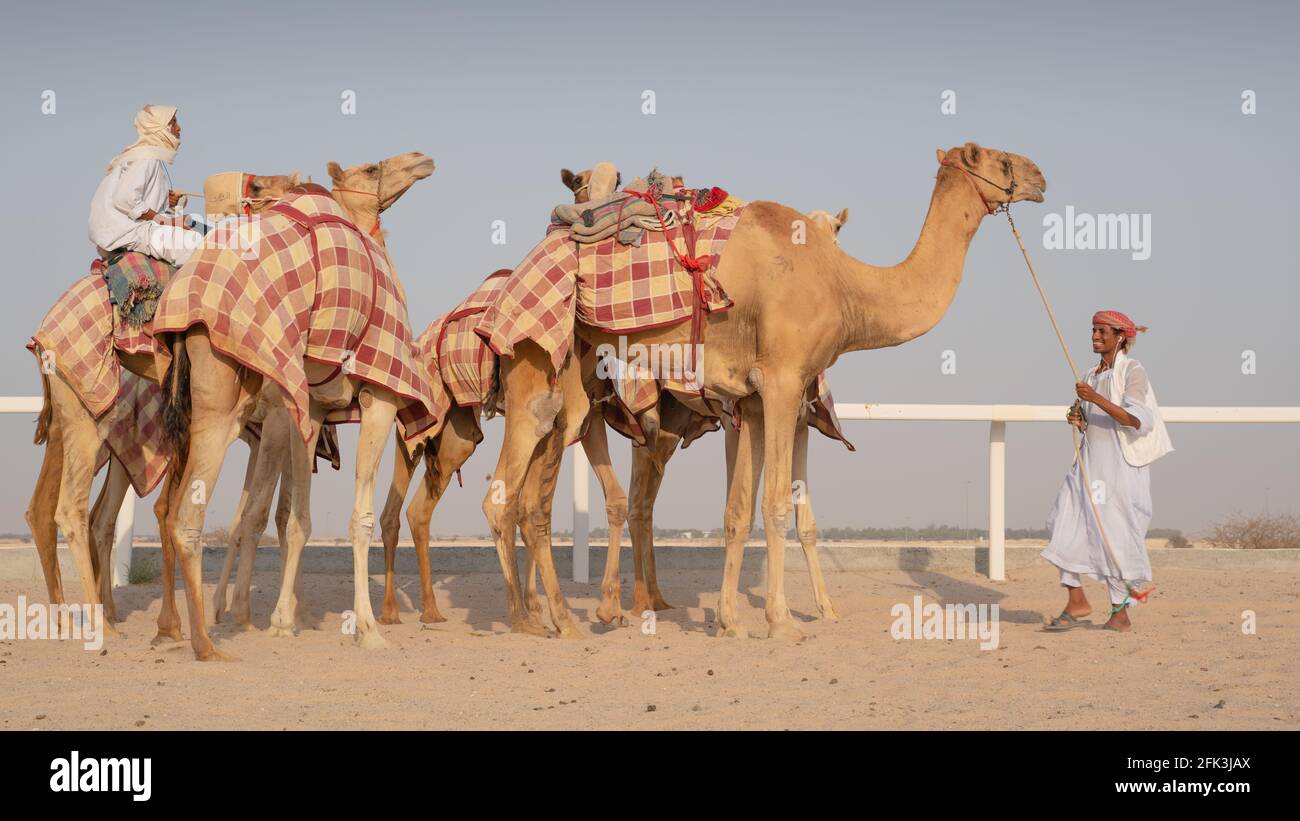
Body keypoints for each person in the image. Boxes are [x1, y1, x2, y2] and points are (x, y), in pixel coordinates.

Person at [1042, 310, 1174, 632]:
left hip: (1120, 469)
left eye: (1102, 331)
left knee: (1113, 537)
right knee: (1061, 522)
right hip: (1088, 464)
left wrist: (1095, 399)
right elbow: (1095, 423)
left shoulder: (1133, 371)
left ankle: (1120, 613)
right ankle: (1077, 598)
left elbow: (1135, 419)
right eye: (1093, 330)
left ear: (1120, 337)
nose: (1095, 336)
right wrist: (1081, 418)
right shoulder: (1090, 374)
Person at [88, 104, 200, 267]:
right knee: (199, 244)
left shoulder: (144, 156)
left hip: (126, 230)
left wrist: (169, 202)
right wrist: (167, 222)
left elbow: (139, 199)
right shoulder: (146, 157)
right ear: (162, 128)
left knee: (195, 226)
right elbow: (125, 199)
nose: (179, 128)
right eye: (174, 123)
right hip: (128, 232)